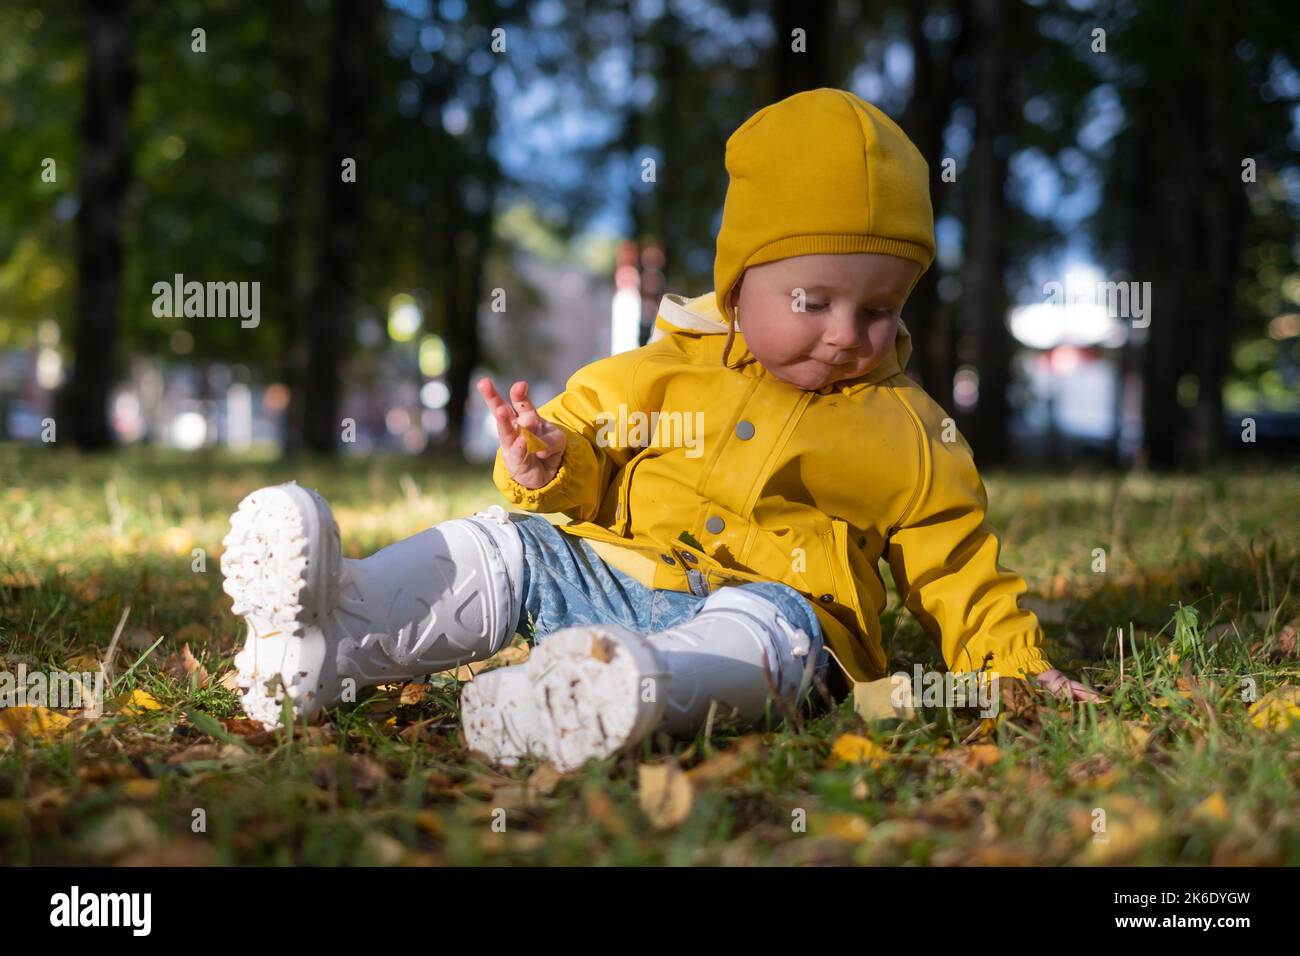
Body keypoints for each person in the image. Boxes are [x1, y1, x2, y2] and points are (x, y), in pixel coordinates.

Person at [221, 88, 1097, 772]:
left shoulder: (908, 430)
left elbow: (953, 559)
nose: (845, 332)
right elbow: (583, 453)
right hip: (615, 579)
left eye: (879, 308)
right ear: (737, 282)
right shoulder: (656, 374)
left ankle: (616, 690)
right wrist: (546, 463)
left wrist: (1009, 661)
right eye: (812, 300)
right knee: (510, 545)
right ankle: (331, 631)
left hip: (784, 628)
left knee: (767, 624)